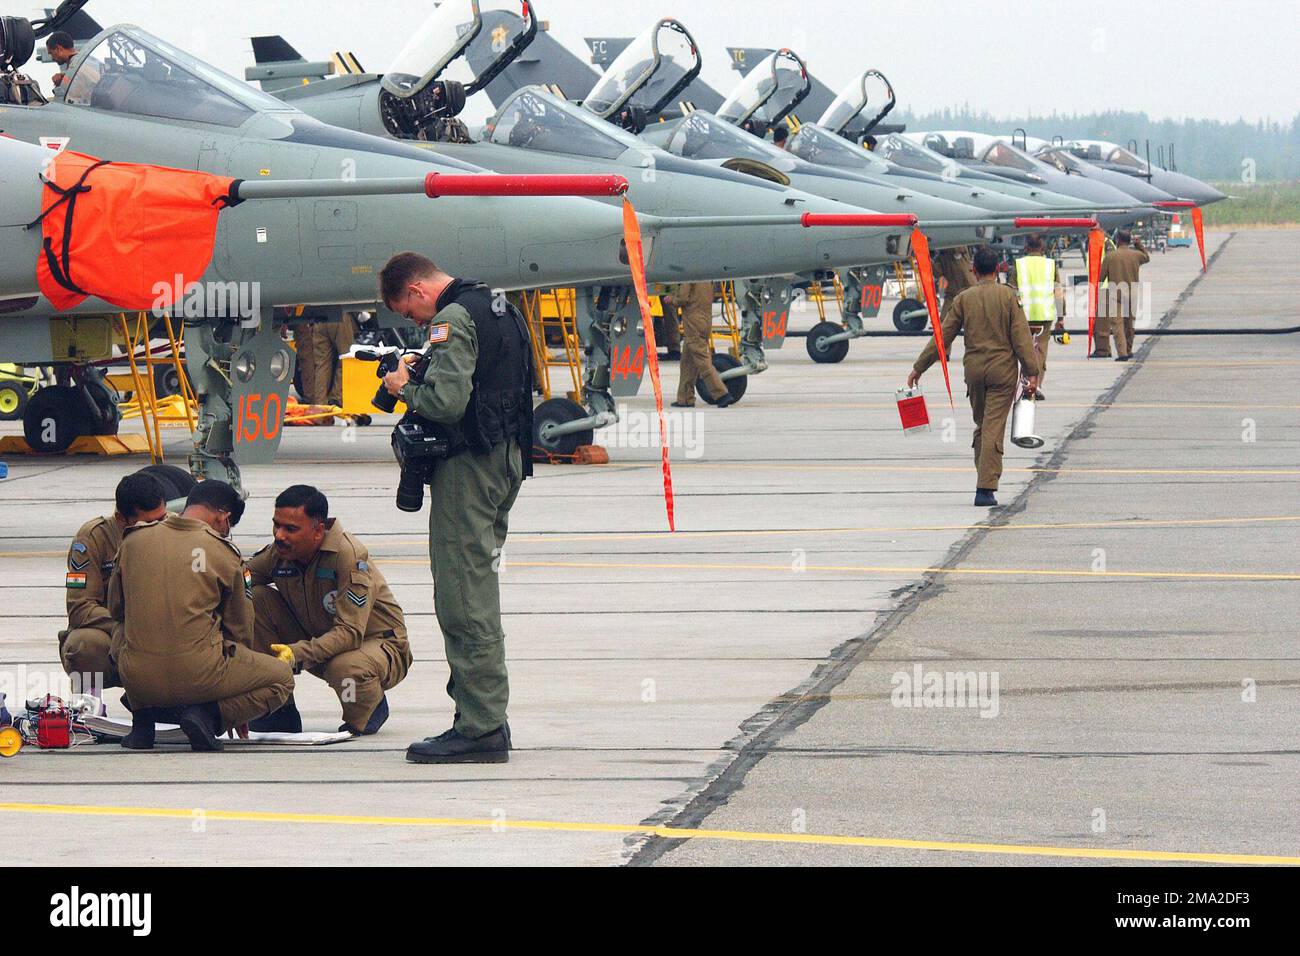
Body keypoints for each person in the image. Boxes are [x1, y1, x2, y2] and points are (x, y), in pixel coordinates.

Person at [378, 252, 532, 763]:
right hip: (504, 459)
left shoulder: (452, 317)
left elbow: (445, 403)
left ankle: (480, 726)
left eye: (409, 311)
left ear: (418, 290)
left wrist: (404, 385)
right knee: (476, 584)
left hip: (470, 466)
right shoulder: (499, 304)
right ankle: (487, 716)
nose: (416, 323)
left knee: (464, 595)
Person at [108, 481, 294, 751]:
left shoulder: (133, 541)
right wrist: (233, 703)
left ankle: (143, 723)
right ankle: (206, 717)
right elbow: (239, 628)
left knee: (124, 630)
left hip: (137, 680)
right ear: (223, 517)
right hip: (199, 676)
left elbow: (115, 607)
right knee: (282, 678)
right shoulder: (223, 552)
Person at [246, 485, 411, 735]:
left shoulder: (348, 557)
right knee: (254, 600)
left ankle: (369, 706)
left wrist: (296, 653)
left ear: (318, 531)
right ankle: (277, 709)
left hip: (377, 643)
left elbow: (349, 633)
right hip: (320, 638)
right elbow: (238, 579)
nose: (279, 536)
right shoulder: (280, 553)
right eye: (276, 525)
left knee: (345, 669)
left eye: (290, 529)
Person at [908, 246, 1040, 507]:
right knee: (992, 428)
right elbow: (1022, 338)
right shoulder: (1008, 297)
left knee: (982, 426)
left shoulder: (963, 299)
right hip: (1002, 372)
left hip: (975, 373)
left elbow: (941, 337)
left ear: (974, 270)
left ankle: (984, 477)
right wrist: (1032, 371)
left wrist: (918, 367)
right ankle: (985, 487)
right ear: (997, 269)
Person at [59, 472, 168, 698]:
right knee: (83, 646)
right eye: (149, 523)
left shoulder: (176, 531)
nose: (159, 528)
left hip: (165, 633)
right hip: (116, 633)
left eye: (162, 518)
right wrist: (131, 626)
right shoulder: (93, 539)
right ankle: (89, 706)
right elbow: (80, 608)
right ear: (122, 519)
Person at [1007, 234, 1066, 399]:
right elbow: (1058, 292)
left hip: (1021, 315)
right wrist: (1061, 317)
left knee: (1021, 350)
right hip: (1044, 315)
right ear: (1043, 248)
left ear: (1026, 247)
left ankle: (1022, 382)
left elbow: (1010, 292)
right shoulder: (1050, 265)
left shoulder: (1018, 265)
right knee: (1040, 351)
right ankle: (1036, 385)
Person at [669, 282, 734, 408]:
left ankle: (721, 394)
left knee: (703, 361)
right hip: (705, 320)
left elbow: (682, 298)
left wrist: (671, 299)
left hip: (693, 323)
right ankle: (685, 398)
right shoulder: (706, 277)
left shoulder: (689, 274)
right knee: (687, 363)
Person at [1094, 230, 1150, 361]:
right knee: (1129, 324)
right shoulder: (1135, 255)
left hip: (1115, 294)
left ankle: (1122, 353)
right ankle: (1129, 349)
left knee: (1117, 325)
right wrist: (1139, 245)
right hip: (1132, 294)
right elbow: (1146, 257)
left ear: (1117, 240)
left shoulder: (1111, 256)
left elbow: (1101, 278)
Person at [295, 315, 355, 407]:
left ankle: (320, 402)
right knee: (345, 358)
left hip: (319, 319)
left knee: (321, 364)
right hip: (340, 316)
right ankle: (336, 397)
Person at [936, 246, 978, 323]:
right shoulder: (959, 253)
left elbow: (938, 272)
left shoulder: (943, 256)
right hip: (963, 285)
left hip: (958, 285)